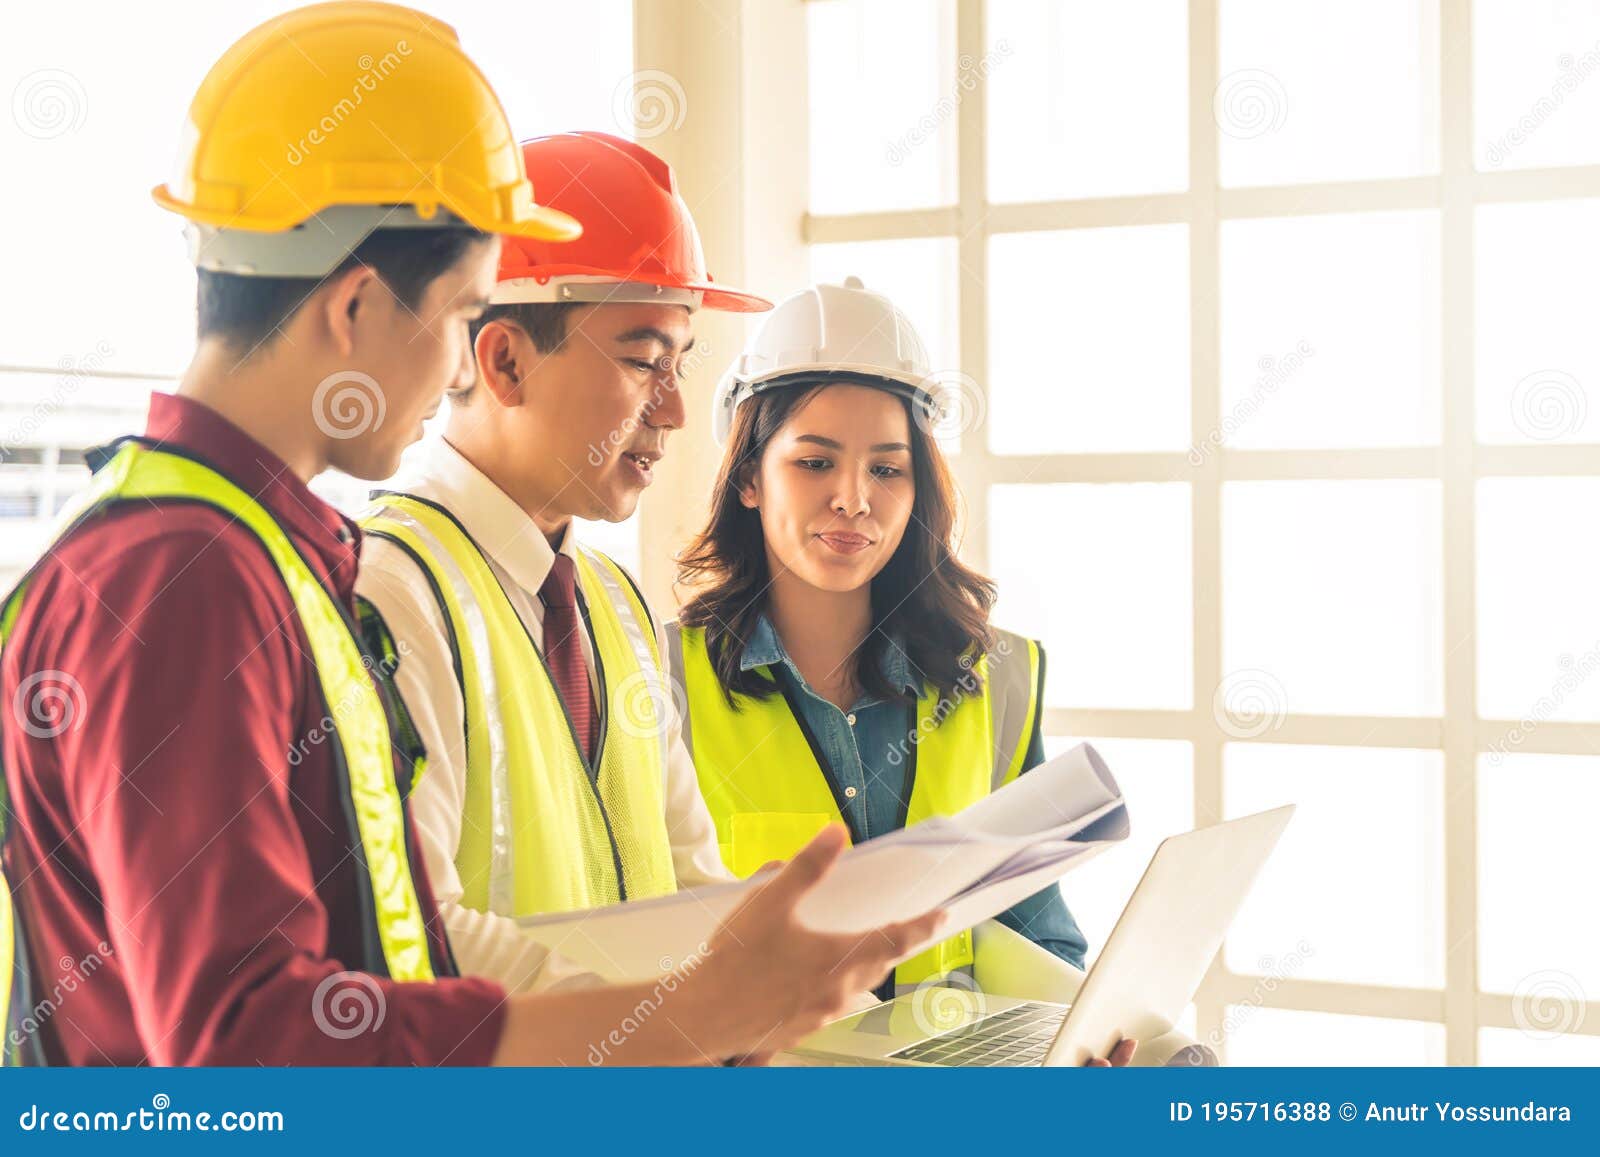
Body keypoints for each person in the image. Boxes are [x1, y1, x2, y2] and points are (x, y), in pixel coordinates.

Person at [0, 6, 940, 1067]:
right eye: (457, 315)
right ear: (357, 306)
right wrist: (688, 1018)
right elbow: (248, 1047)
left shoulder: (262, 560)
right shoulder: (185, 577)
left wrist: (737, 995)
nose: (457, 365)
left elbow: (355, 965)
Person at [356, 131, 770, 991]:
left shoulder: (615, 601)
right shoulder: (389, 593)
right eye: (645, 361)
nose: (674, 410)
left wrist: (790, 962)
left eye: (681, 364)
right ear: (504, 360)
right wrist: (669, 1019)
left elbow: (690, 880)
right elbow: (413, 938)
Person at [671, 278, 1097, 1000]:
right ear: (749, 478)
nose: (854, 499)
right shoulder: (662, 683)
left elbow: (1036, 936)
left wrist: (1076, 1030)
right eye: (815, 462)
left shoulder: (999, 679)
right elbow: (647, 954)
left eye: (887, 469)